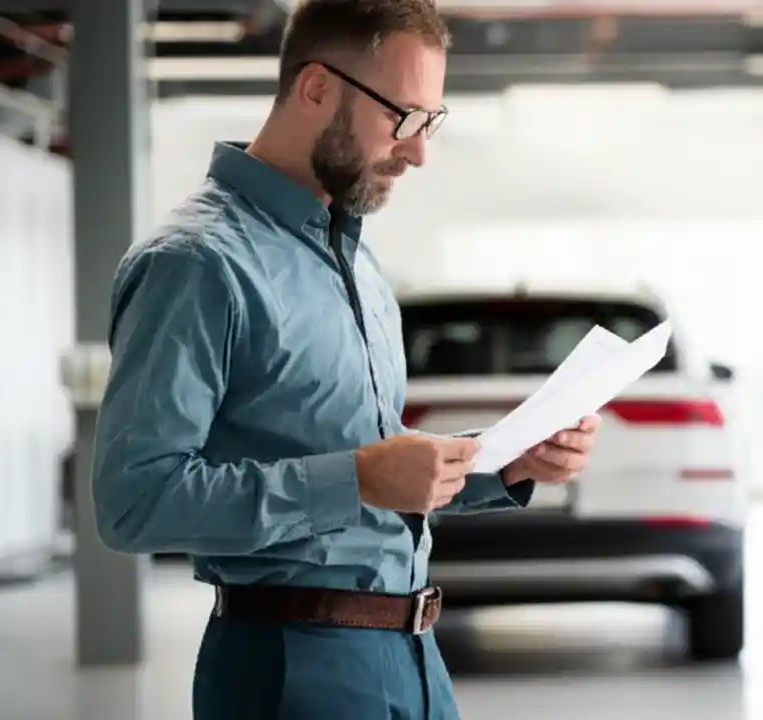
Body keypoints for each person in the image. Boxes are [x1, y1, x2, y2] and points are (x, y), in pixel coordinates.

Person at [89, 1, 600, 718]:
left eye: (432, 120)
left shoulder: (354, 260)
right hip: (291, 667)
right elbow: (134, 502)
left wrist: (508, 464)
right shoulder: (196, 264)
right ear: (316, 89)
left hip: (413, 656)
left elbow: (375, 472)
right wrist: (354, 480)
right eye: (404, 116)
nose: (419, 151)